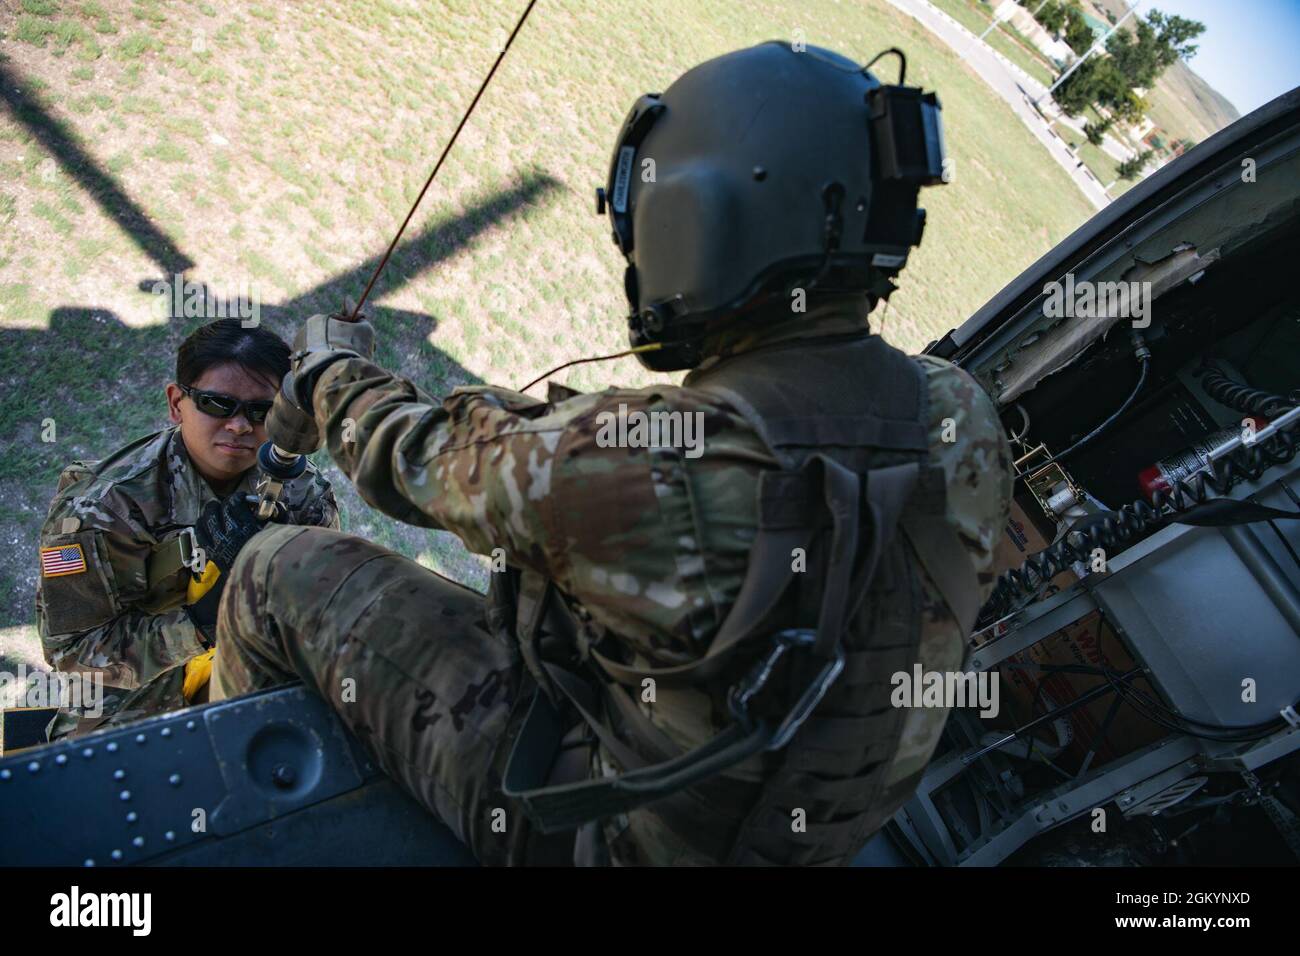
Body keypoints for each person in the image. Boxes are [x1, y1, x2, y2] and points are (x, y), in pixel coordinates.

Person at [210, 41, 1013, 865]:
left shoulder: (652, 471)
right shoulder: (960, 410)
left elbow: (415, 456)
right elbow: (608, 463)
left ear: (701, 225)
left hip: (605, 837)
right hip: (784, 836)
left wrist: (326, 369)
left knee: (276, 566)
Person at [35, 319, 339, 740]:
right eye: (217, 404)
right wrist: (201, 621)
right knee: (96, 785)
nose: (239, 426)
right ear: (177, 403)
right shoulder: (101, 509)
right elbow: (72, 653)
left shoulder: (300, 493)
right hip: (135, 691)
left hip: (251, 666)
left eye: (261, 411)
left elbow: (325, 614)